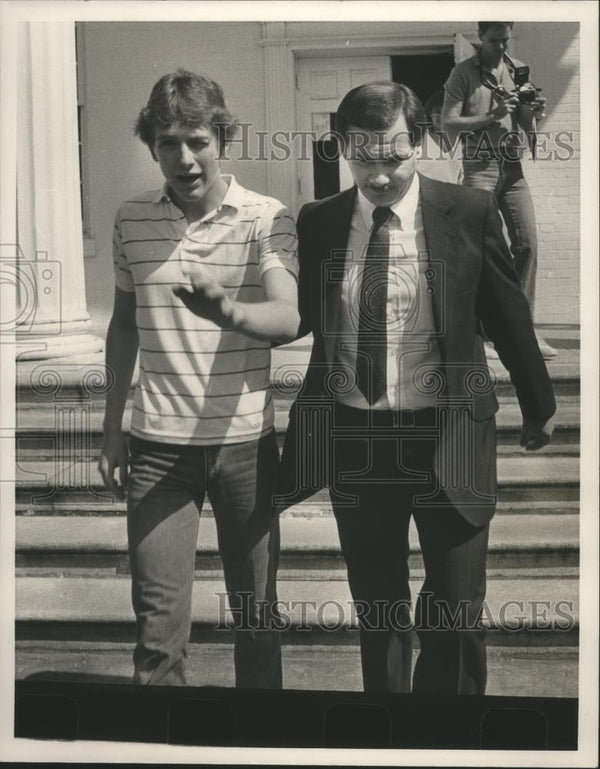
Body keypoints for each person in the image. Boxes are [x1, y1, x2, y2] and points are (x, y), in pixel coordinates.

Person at [276, 81, 555, 694]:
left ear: (422, 143)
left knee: (455, 609)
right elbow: (297, 315)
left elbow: (508, 316)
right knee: (378, 611)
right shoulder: (319, 221)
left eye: (395, 156)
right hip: (357, 437)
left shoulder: (469, 211)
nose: (380, 175)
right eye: (364, 158)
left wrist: (539, 407)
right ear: (342, 148)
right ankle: (389, 733)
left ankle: (450, 740)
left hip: (447, 431)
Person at [98, 69, 299, 687]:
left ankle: (262, 745)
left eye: (197, 140)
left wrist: (230, 311)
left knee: (257, 621)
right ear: (151, 146)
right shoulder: (131, 220)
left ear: (222, 137)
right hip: (158, 451)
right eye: (167, 143)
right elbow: (124, 326)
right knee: (158, 638)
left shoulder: (268, 216)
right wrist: (112, 430)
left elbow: (288, 315)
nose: (183, 158)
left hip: (246, 449)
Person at [441, 21, 556, 360]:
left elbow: (522, 121)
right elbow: (448, 121)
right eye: (494, 41)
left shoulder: (518, 70)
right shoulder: (462, 73)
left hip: (512, 168)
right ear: (481, 37)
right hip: (479, 167)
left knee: (527, 245)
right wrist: (491, 116)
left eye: (506, 40)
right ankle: (484, 334)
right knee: (480, 249)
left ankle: (521, 329)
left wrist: (532, 111)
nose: (502, 48)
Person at [417, 90, 463, 184]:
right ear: (429, 113)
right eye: (437, 112)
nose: (442, 117)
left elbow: (461, 178)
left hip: (451, 196)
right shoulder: (420, 139)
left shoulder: (462, 141)